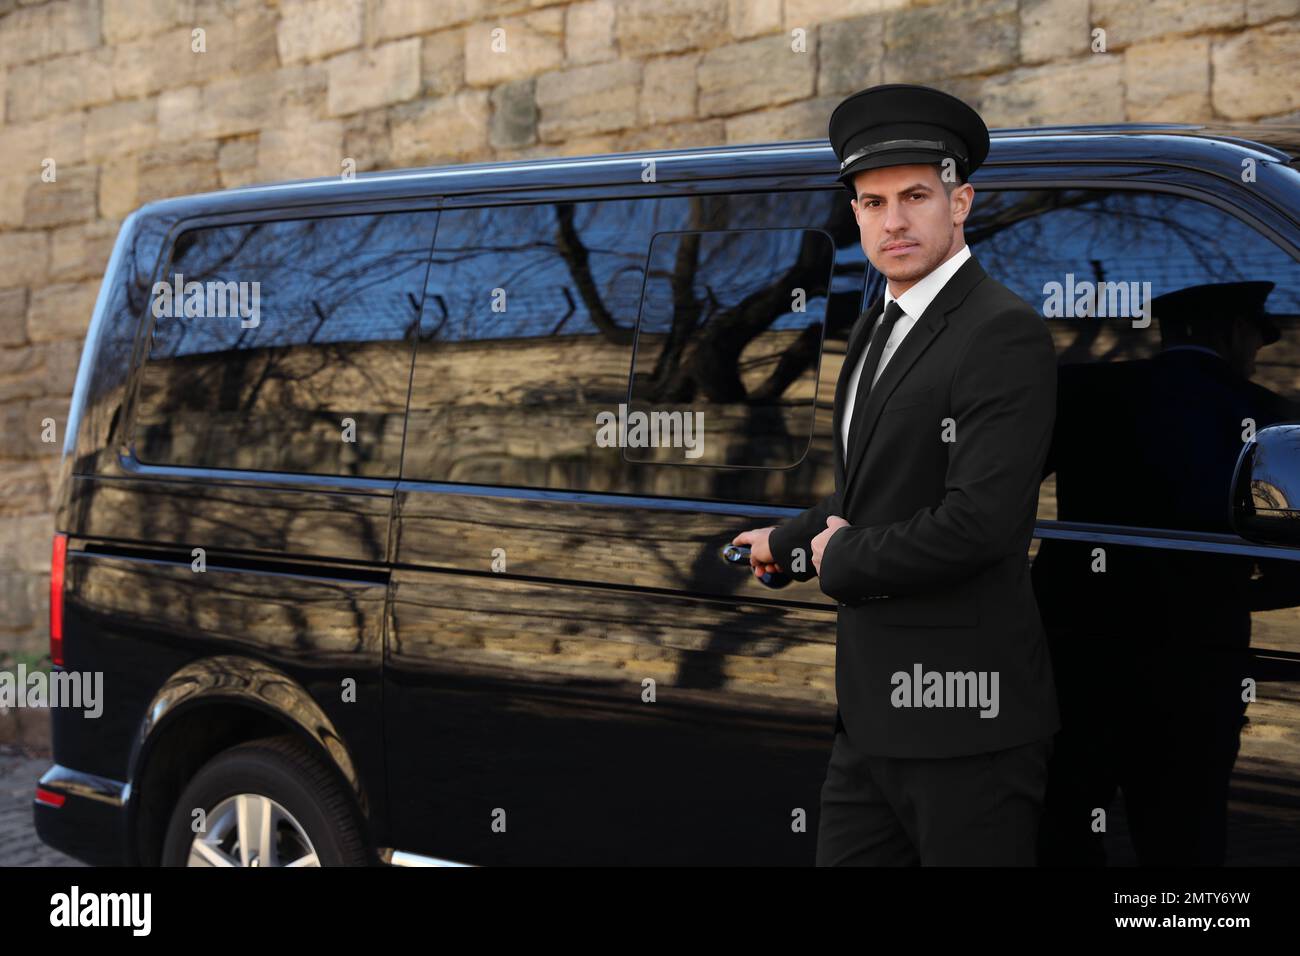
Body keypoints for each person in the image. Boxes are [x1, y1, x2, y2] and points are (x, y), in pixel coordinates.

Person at [733, 83, 1059, 865]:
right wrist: (794, 535)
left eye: (916, 195)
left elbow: (979, 523)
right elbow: (872, 494)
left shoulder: (1000, 330)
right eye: (873, 202)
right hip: (871, 722)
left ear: (962, 201)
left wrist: (836, 557)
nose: (894, 221)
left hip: (966, 728)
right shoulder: (878, 323)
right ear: (855, 215)